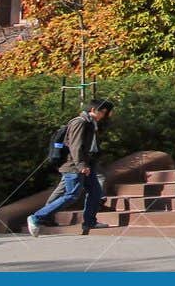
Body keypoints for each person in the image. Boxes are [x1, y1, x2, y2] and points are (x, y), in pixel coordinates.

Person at [26, 99, 114, 236]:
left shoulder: (91, 123)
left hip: (87, 163)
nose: (105, 115)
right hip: (73, 165)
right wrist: (81, 165)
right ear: (93, 110)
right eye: (103, 112)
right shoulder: (80, 122)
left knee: (95, 192)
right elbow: (75, 145)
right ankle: (37, 217)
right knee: (72, 195)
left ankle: (90, 222)